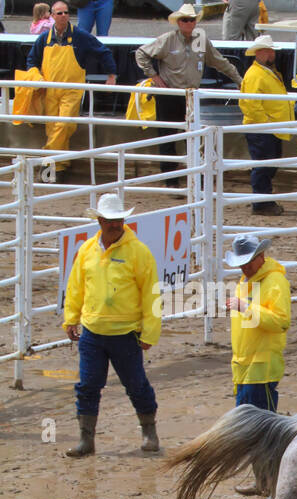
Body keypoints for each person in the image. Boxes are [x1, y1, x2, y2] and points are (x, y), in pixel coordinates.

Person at [63, 194, 162, 459]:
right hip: (92, 333)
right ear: (99, 220)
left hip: (126, 333)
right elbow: (76, 287)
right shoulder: (86, 250)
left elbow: (151, 295)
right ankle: (87, 439)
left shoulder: (138, 252)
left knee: (136, 384)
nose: (115, 225)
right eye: (110, 220)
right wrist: (71, 317)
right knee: (87, 385)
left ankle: (149, 432)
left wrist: (149, 332)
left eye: (118, 220)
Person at [136, 5, 243, 189]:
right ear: (178, 22)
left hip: (191, 95)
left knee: (194, 137)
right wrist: (154, 76)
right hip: (170, 94)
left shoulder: (200, 39)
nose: (188, 23)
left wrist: (239, 79)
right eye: (185, 19)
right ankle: (171, 181)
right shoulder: (168, 39)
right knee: (168, 138)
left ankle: (197, 179)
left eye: (191, 19)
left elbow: (218, 61)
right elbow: (141, 53)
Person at [26, 2, 117, 171]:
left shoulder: (80, 36)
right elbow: (31, 61)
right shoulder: (43, 39)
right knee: (53, 129)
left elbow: (103, 52)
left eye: (66, 13)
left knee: (65, 125)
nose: (63, 16)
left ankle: (47, 160)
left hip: (72, 90)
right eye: (59, 13)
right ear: (52, 16)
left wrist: (111, 74)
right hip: (50, 91)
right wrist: (36, 77)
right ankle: (59, 167)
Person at [224, 234, 291, 414]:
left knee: (258, 427)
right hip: (245, 369)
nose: (245, 268)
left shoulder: (274, 282)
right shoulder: (247, 281)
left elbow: (281, 322)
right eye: (242, 264)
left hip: (261, 369)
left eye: (248, 263)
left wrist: (245, 307)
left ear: (261, 257)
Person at [238, 35, 291, 216]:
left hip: (267, 126)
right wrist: (266, 122)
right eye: (269, 50)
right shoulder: (257, 74)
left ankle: (262, 200)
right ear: (260, 52)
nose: (272, 54)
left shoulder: (262, 72)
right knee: (264, 165)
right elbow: (250, 104)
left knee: (267, 163)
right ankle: (261, 202)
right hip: (263, 128)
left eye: (271, 50)